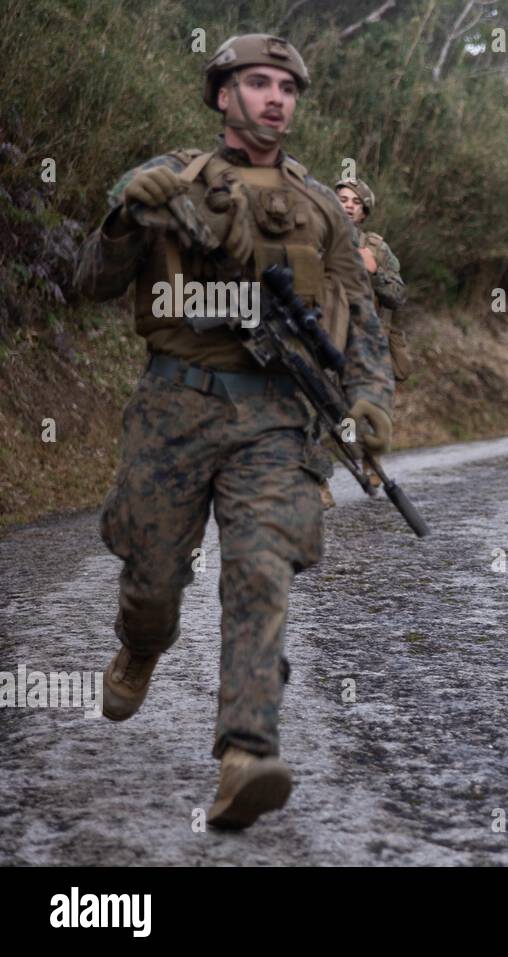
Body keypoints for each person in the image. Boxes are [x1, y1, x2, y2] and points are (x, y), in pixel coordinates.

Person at [74, 33, 393, 830]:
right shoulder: (167, 178)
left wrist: (372, 403)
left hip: (279, 418)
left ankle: (246, 754)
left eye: (287, 86)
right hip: (175, 404)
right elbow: (87, 285)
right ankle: (141, 643)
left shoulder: (321, 206)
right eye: (257, 82)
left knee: (261, 573)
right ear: (224, 95)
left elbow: (362, 323)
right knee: (151, 577)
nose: (275, 97)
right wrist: (123, 220)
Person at [335, 178, 410, 381]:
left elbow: (399, 297)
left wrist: (375, 273)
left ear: (364, 212)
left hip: (360, 348)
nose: (349, 205)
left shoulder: (376, 249)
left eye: (356, 202)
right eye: (342, 199)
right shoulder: (314, 237)